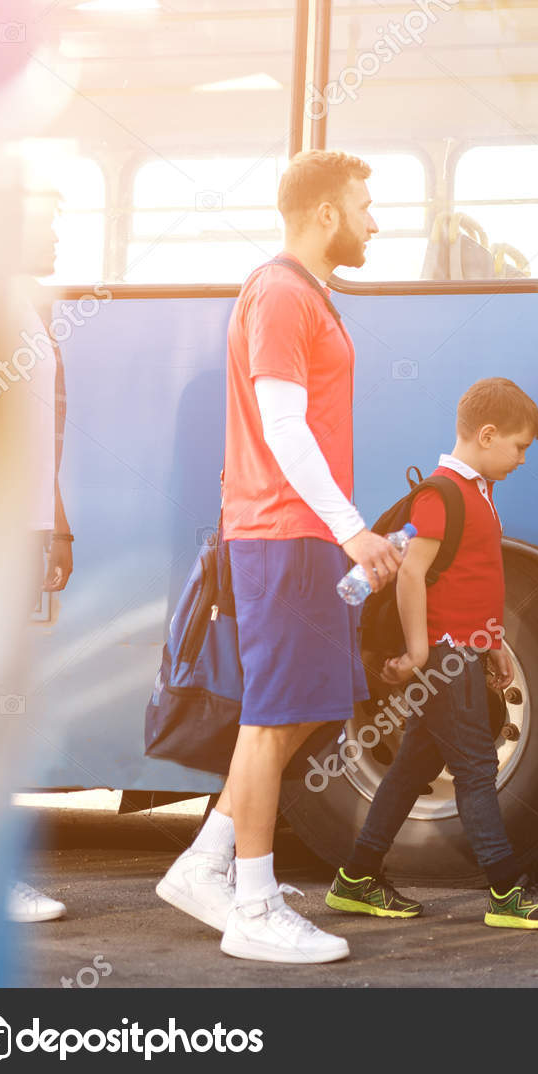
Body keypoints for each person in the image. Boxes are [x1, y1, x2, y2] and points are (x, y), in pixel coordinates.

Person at [156, 150, 402, 965]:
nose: (376, 221)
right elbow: (282, 426)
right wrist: (352, 528)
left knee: (303, 709)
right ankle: (255, 906)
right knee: (271, 718)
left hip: (298, 537)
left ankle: (207, 862)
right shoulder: (282, 293)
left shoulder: (309, 296)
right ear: (325, 213)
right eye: (366, 206)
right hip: (284, 534)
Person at [325, 378, 538, 929]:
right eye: (520, 445)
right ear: (487, 435)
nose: (522, 457)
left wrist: (491, 648)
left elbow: (471, 585)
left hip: (464, 650)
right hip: (443, 656)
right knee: (476, 767)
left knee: (417, 762)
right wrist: (418, 651)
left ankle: (356, 878)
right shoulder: (442, 495)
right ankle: (507, 891)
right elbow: (412, 574)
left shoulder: (478, 492)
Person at [7, 186, 73, 925]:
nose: (57, 237)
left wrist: (55, 526)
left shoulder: (28, 309)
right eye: (45, 224)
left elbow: (37, 430)